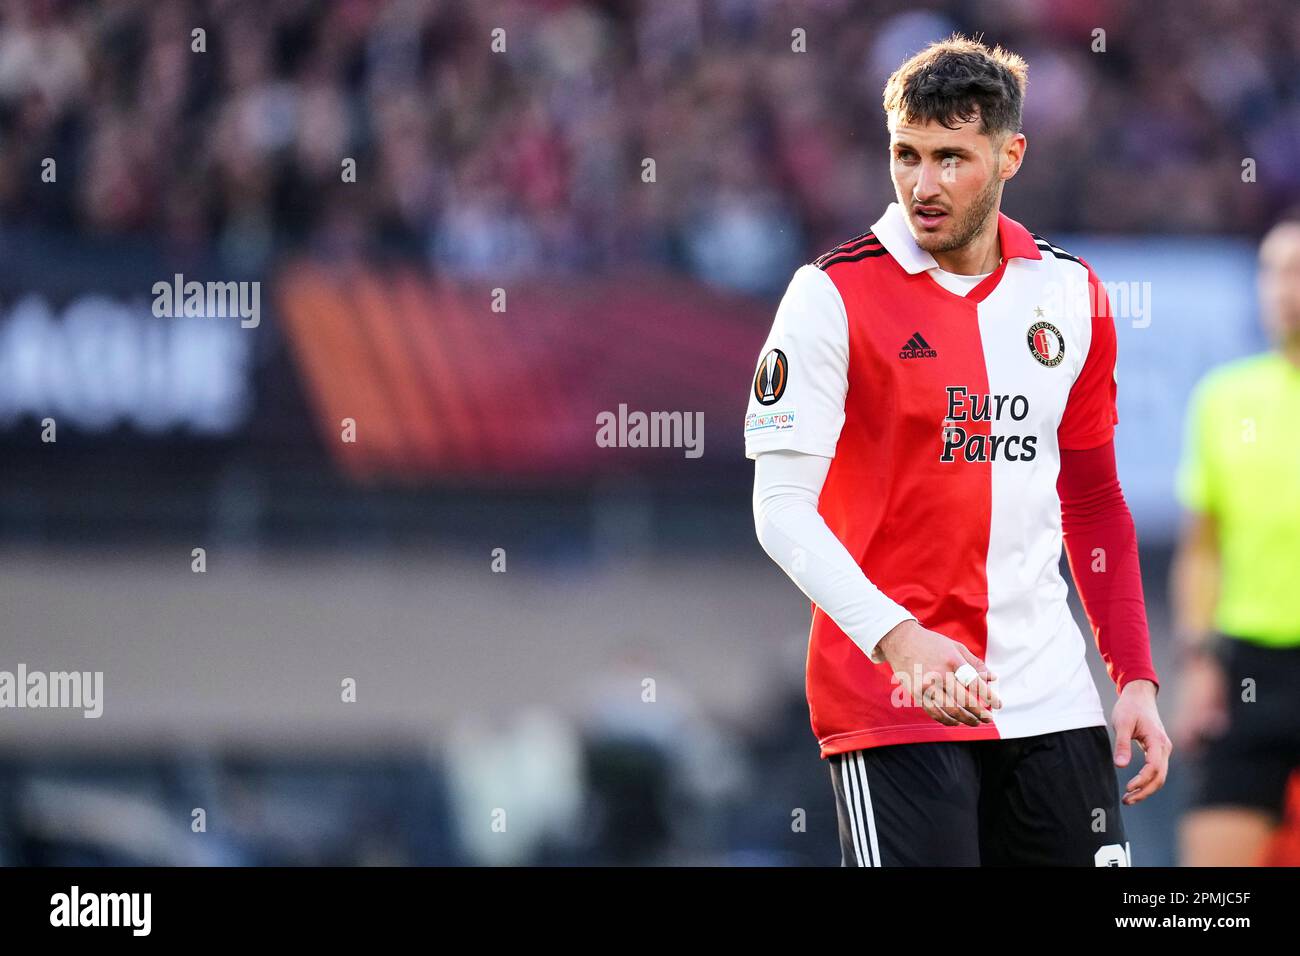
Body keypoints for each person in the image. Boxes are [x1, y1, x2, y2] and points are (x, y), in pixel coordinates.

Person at [745, 35, 1169, 866]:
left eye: (951, 157)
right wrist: (901, 641)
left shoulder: (1070, 293)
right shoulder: (828, 294)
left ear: (1011, 154)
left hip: (1052, 700)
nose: (922, 185)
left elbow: (1093, 504)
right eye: (906, 155)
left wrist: (1136, 677)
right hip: (894, 698)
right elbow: (779, 512)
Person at [1171, 212, 1300, 866]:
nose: (1286, 288)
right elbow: (1202, 549)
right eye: (1275, 272)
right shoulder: (1225, 399)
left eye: (1298, 272)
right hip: (1252, 670)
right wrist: (1200, 664)